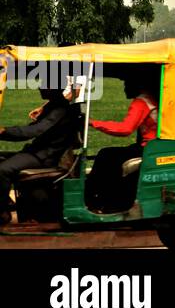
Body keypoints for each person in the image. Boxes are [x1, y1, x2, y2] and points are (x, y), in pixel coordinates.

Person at [0, 86, 84, 224]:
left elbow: (33, 131)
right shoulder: (55, 104)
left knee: (2, 170)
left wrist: (3, 132)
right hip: (37, 152)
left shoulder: (60, 109)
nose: (40, 87)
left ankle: (2, 213)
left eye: (45, 83)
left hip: (45, 156)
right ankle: (6, 201)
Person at [87, 77, 158, 211]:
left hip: (151, 148)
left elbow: (125, 129)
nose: (124, 88)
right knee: (111, 155)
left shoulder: (142, 101)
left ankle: (96, 199)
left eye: (126, 83)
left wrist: (92, 122)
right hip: (155, 145)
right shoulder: (152, 97)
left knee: (106, 155)